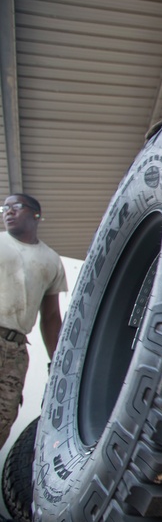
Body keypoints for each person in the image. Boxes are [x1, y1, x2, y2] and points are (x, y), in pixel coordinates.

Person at [0, 193, 66, 450]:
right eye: (5, 208)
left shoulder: (51, 260)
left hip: (16, 351)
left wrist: (57, 363)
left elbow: (50, 317)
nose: (8, 211)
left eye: (16, 206)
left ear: (36, 215)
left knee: (4, 417)